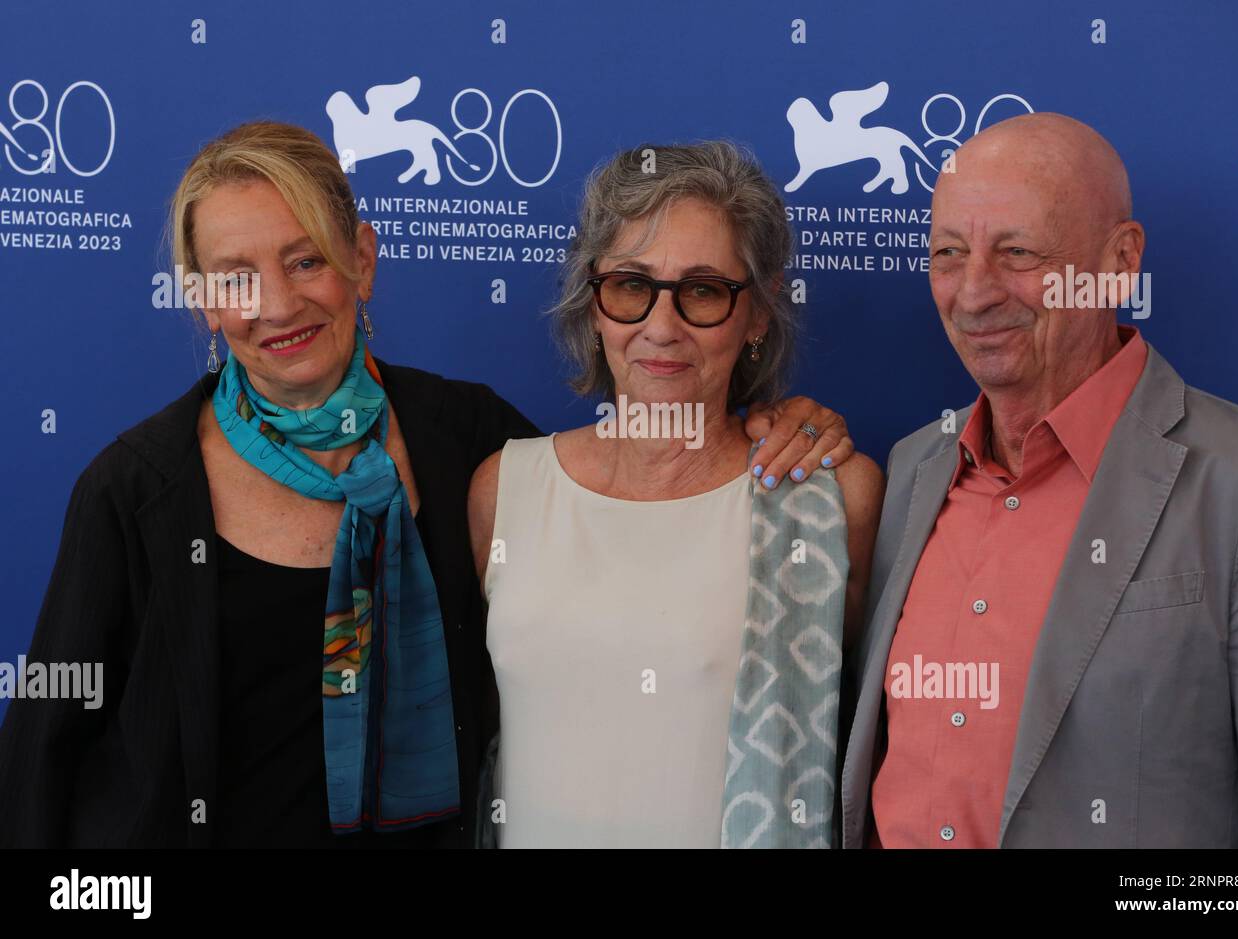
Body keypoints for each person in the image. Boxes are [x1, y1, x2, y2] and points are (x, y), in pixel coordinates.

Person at [0, 122, 856, 848]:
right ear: (199, 299)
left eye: (306, 260)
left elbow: (633, 499)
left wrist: (780, 419)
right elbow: (41, 764)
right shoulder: (137, 491)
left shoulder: (471, 446)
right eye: (235, 276)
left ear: (362, 263)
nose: (277, 304)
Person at [840, 113, 1238, 849]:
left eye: (1017, 251)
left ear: (1120, 261)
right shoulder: (909, 468)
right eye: (949, 253)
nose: (975, 292)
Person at [469, 141, 883, 848]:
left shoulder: (829, 496)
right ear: (593, 303)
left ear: (757, 312)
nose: (661, 328)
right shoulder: (504, 486)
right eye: (632, 285)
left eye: (702, 290)